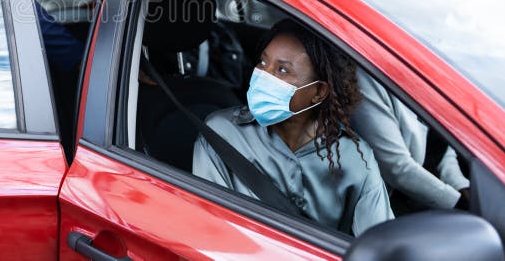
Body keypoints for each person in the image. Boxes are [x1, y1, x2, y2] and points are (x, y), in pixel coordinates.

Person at [193, 19, 393, 236]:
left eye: (282, 70)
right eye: (262, 62)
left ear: (318, 92)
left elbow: (380, 243)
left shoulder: (356, 158)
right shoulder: (221, 133)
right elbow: (211, 228)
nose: (263, 75)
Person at [350, 69, 470, 213]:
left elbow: (441, 146)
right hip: (388, 205)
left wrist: (460, 186)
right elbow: (396, 167)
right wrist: (457, 203)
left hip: (427, 198)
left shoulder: (429, 73)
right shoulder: (369, 78)